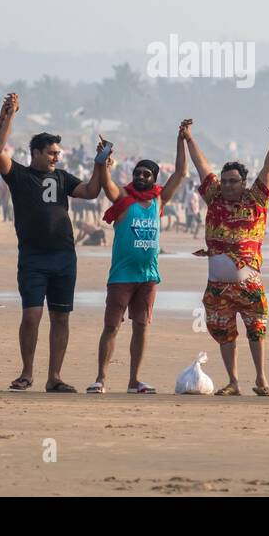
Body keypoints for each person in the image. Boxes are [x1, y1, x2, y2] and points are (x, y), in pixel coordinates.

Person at [0, 93, 108, 393]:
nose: (57, 157)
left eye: (58, 152)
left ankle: (54, 376)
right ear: (36, 153)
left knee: (60, 316)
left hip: (64, 257)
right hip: (32, 257)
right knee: (32, 315)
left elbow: (92, 191)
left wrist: (100, 163)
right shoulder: (18, 175)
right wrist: (8, 115)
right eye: (52, 153)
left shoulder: (63, 177)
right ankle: (27, 372)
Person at [86, 122, 189, 394]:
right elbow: (107, 184)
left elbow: (181, 172)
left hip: (148, 277)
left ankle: (134, 380)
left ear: (154, 178)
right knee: (111, 327)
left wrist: (182, 139)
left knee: (141, 328)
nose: (141, 177)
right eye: (137, 173)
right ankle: (100, 379)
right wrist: (102, 162)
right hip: (121, 276)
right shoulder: (123, 198)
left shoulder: (159, 201)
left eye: (146, 174)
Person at [183, 119, 269, 397]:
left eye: (233, 181)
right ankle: (233, 382)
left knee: (256, 330)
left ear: (244, 182)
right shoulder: (213, 198)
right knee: (224, 333)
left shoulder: (257, 200)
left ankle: (261, 379)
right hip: (217, 286)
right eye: (224, 181)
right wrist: (189, 138)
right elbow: (202, 167)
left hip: (249, 283)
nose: (227, 185)